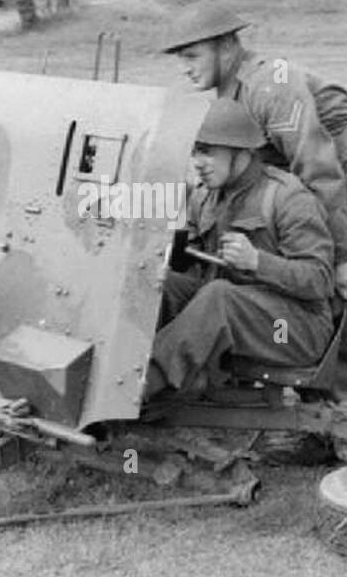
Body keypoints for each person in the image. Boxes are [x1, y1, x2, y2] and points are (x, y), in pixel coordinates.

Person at [160, 0, 347, 397]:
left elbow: (319, 170)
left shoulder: (270, 87)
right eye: (179, 57)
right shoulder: (231, 92)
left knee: (338, 296)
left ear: (226, 46)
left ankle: (333, 411)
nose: (185, 66)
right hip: (324, 176)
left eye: (192, 55)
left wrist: (342, 257)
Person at [144, 100, 336, 400]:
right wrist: (172, 250)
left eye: (207, 151)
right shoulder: (205, 196)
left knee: (218, 295)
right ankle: (125, 367)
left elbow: (320, 280)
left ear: (242, 152)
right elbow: (192, 266)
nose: (198, 162)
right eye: (194, 150)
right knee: (160, 282)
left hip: (294, 330)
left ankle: (142, 386)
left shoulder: (287, 197)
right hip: (237, 316)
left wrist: (257, 262)